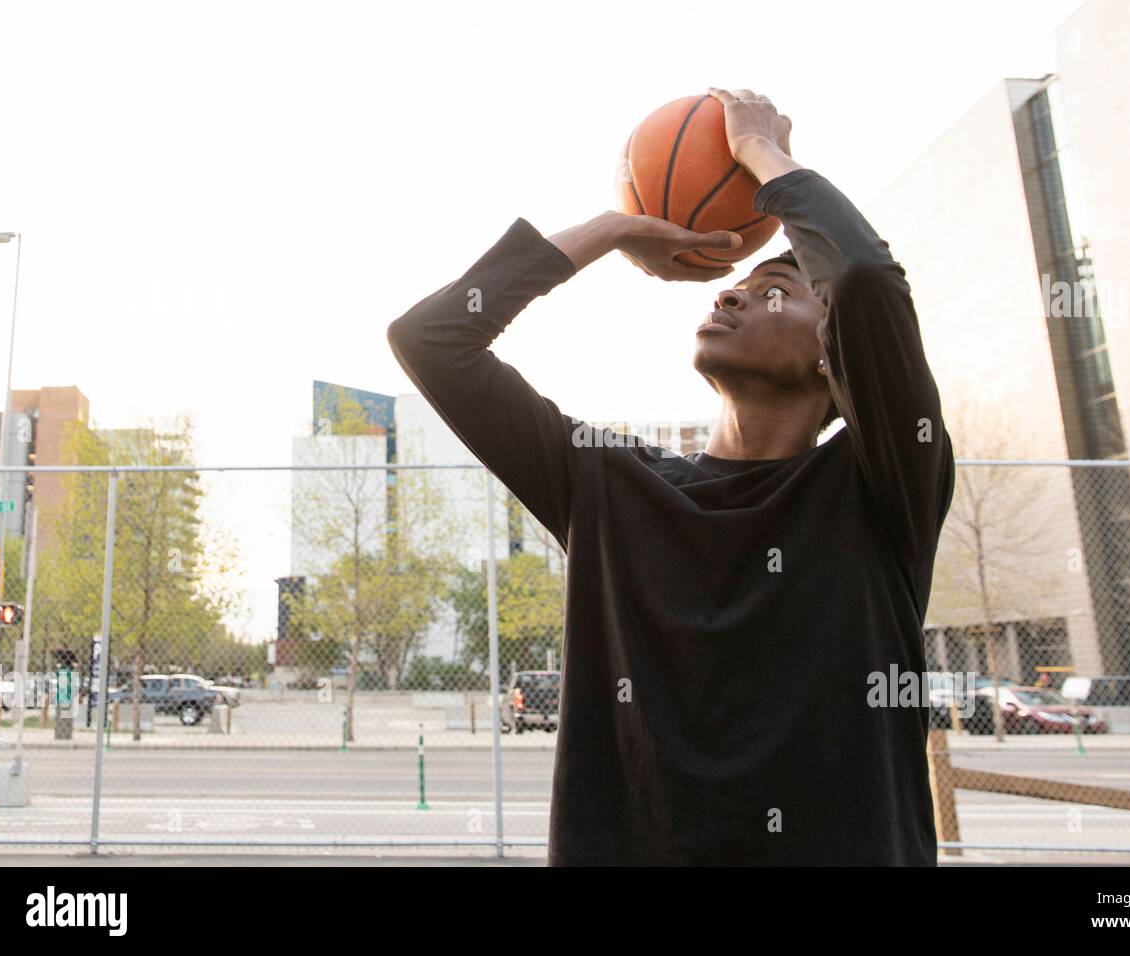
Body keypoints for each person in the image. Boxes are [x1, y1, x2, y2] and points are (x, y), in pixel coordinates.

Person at [387, 87, 955, 865]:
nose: (733, 290)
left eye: (776, 292)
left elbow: (861, 279)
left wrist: (763, 156)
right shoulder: (606, 483)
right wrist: (615, 227)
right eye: (737, 285)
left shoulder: (882, 486)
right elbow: (432, 339)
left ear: (837, 362)